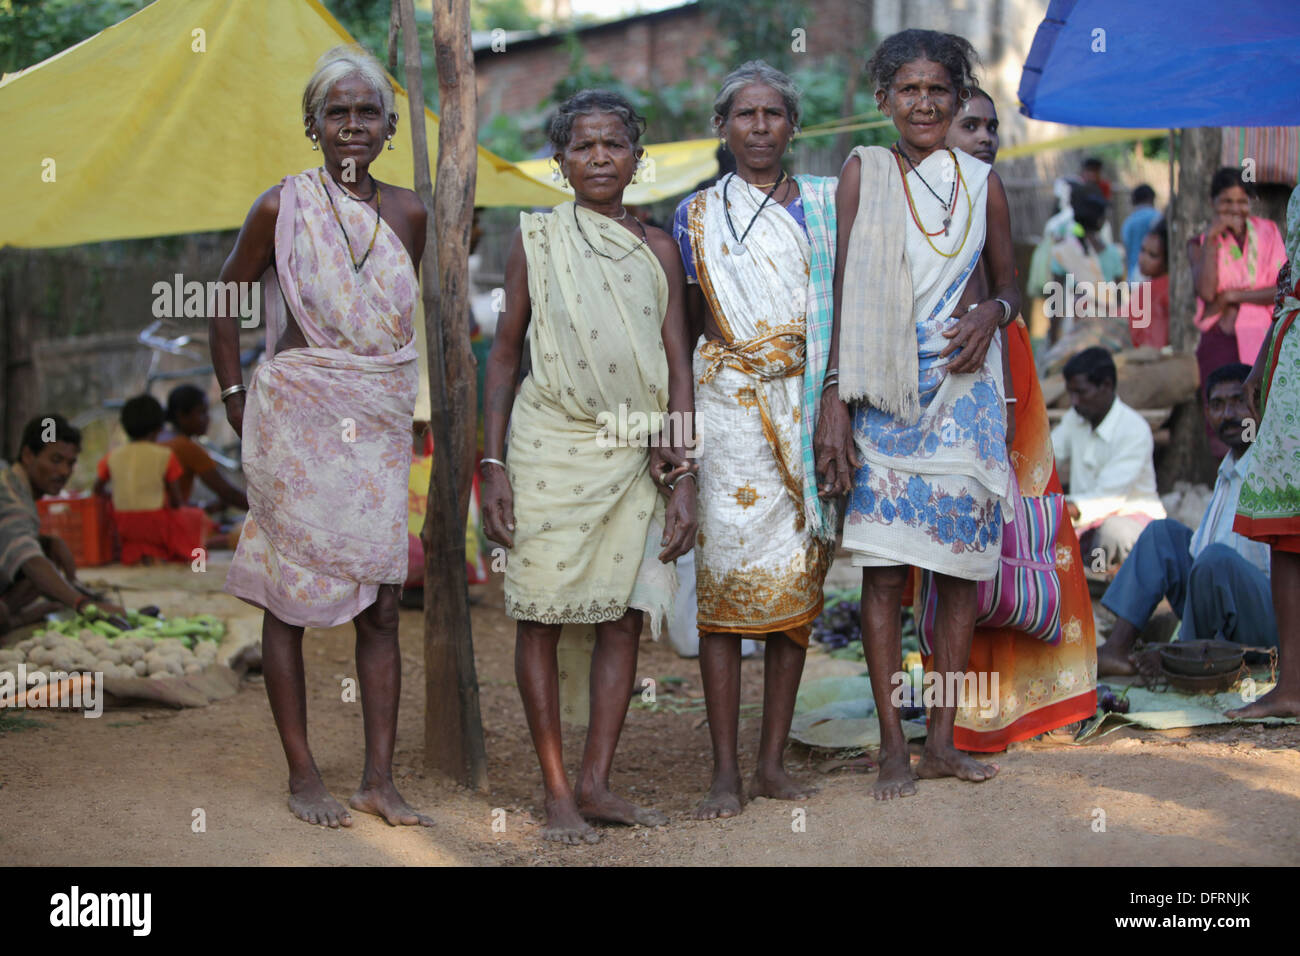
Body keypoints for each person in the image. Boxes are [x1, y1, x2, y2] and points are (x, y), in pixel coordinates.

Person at [208, 45, 433, 829]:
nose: (351, 125)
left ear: (389, 126)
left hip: (373, 426)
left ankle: (379, 779)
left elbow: (402, 322)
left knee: (380, 604)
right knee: (288, 601)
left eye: (366, 111)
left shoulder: (409, 211)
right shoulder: (282, 205)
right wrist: (237, 393)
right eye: (335, 112)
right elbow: (225, 295)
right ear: (312, 125)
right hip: (295, 425)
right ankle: (304, 772)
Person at [481, 90, 697, 844]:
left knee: (625, 615)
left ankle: (597, 781)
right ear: (560, 161)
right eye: (583, 146)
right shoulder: (535, 240)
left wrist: (685, 474)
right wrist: (491, 462)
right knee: (538, 611)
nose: (599, 157)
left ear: (637, 159)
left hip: (634, 452)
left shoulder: (661, 247)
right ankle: (555, 791)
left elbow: (678, 366)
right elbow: (504, 355)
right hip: (547, 445)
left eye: (613, 145)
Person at [818, 30, 1018, 799]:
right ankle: (892, 747)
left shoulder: (983, 182)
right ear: (884, 100)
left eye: (939, 90)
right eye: (910, 90)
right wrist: (835, 400)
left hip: (964, 399)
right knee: (883, 573)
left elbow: (1012, 289)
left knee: (959, 574)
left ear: (957, 94)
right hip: (883, 394)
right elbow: (835, 298)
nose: (926, 103)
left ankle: (940, 740)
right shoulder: (862, 174)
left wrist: (991, 315)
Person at [672, 61, 836, 818]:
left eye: (774, 114)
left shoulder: (825, 209)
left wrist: (835, 405)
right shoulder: (693, 215)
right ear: (723, 126)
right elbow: (683, 321)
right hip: (727, 416)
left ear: (792, 125)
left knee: (796, 591)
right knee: (723, 594)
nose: (761, 127)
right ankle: (723, 772)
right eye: (746, 115)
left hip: (803, 409)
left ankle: (771, 762)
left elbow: (839, 313)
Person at [940, 91, 1099, 749]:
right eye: (968, 125)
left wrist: (1003, 403)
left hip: (1005, 371)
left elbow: (1006, 293)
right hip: (946, 377)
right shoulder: (922, 203)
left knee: (1030, 525)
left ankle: (1047, 699)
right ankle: (971, 712)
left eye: (990, 127)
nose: (984, 137)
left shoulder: (990, 195)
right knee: (958, 536)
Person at [1097, 363, 1274, 676]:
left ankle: (1184, 658)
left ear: (1258, 405)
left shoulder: (1271, 467)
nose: (1228, 414)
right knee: (1161, 534)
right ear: (1207, 415)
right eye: (1218, 405)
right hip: (1218, 605)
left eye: (1238, 402)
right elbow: (1197, 555)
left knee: (1215, 559)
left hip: (1266, 622)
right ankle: (1116, 649)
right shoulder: (1228, 469)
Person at [1229, 183, 1300, 719]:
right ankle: (1293, 686)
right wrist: (1259, 364)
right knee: (1285, 526)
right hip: (1290, 358)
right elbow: (1288, 286)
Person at [1, 415, 127, 634]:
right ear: (29, 455)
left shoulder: (15, 484)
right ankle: (14, 620)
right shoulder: (8, 493)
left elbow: (12, 538)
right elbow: (28, 559)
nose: (64, 472)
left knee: (48, 553)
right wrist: (83, 604)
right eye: (56, 460)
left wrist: (48, 543)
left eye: (70, 463)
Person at [1051, 346, 1166, 572]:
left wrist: (1054, 509)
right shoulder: (1076, 418)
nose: (1074, 401)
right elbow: (1045, 459)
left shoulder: (1134, 430)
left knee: (1114, 534)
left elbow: (1107, 499)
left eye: (1081, 392)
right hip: (1082, 522)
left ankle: (1117, 584)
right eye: (1070, 393)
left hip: (1127, 520)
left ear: (1106, 386)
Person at [1189, 167, 1287, 380]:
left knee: (1260, 406)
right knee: (1223, 404)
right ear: (1212, 202)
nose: (1235, 208)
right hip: (1221, 340)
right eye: (1227, 201)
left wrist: (1231, 297)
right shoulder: (1200, 243)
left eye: (1242, 201)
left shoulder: (1268, 232)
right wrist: (1213, 238)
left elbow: (1281, 289)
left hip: (1266, 336)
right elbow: (1206, 293)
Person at [93, 395, 209, 565]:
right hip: (156, 525)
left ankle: (140, 553)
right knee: (196, 517)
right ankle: (161, 553)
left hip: (122, 525)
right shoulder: (165, 455)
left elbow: (97, 490)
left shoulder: (111, 457)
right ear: (159, 428)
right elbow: (177, 502)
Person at [160, 384, 249, 512]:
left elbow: (173, 502)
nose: (208, 418)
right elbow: (228, 493)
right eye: (202, 412)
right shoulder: (186, 447)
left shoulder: (160, 438)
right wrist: (268, 511)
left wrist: (205, 508)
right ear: (182, 415)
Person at [1049, 192, 1125, 341]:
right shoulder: (1113, 253)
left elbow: (1056, 299)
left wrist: (1053, 335)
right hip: (1106, 327)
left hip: (1076, 326)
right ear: (1100, 222)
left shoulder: (1063, 251)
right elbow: (1119, 297)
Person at [1129, 221, 1169, 349]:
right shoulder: (1160, 285)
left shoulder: (1154, 288)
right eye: (1143, 250)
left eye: (1153, 255)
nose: (1143, 259)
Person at [1122, 184, 1160, 284]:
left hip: (1133, 276)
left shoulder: (1128, 222)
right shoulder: (1158, 218)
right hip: (1153, 278)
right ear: (1151, 199)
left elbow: (1127, 250)